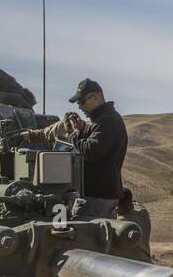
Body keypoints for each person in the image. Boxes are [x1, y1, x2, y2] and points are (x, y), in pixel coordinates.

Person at [23, 78, 127, 219]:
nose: (80, 107)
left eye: (82, 102)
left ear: (95, 97)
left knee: (85, 239)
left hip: (97, 197)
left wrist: (72, 135)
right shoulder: (102, 120)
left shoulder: (108, 120)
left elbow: (90, 151)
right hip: (97, 195)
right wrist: (82, 129)